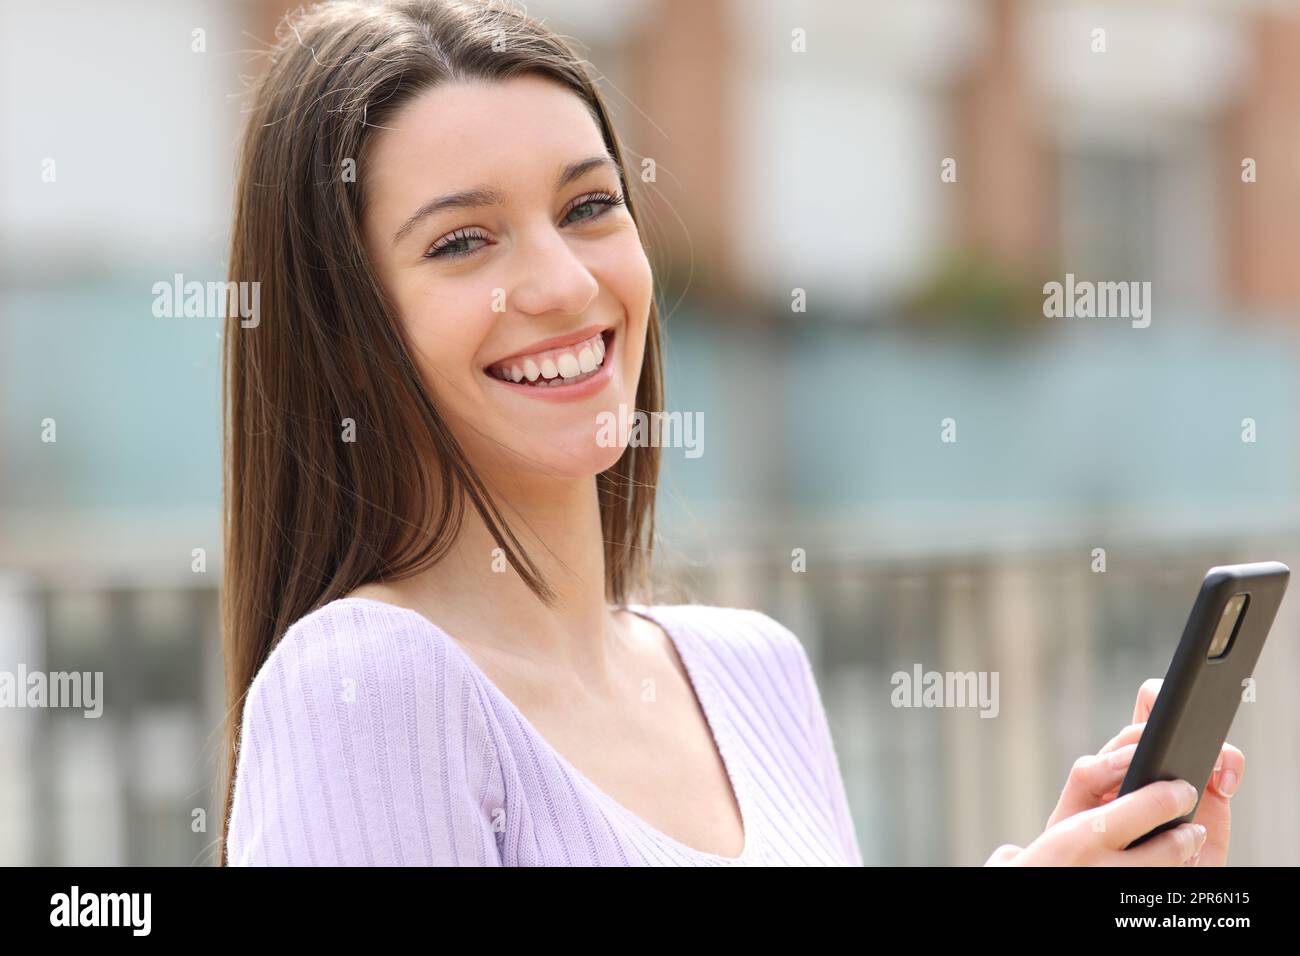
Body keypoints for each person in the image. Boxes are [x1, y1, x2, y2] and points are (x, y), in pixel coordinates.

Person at [218, 0, 1240, 866]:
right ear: (346, 330)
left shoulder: (753, 669)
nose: (568, 284)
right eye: (462, 240)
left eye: (588, 206)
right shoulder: (361, 684)